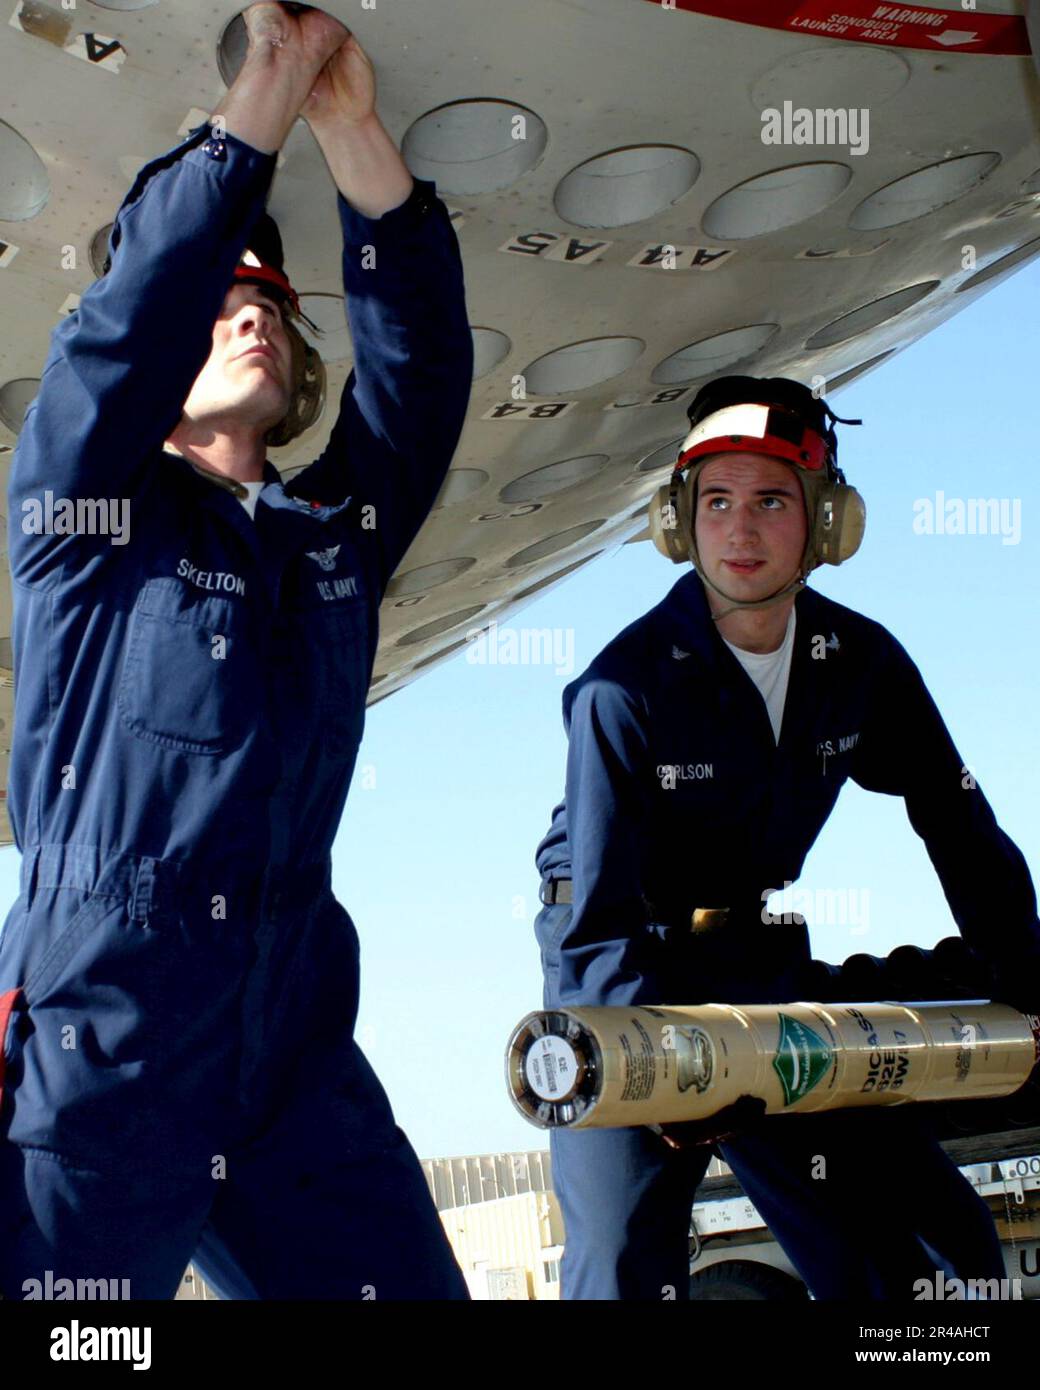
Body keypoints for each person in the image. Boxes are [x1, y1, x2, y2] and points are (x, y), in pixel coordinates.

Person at [0, 4, 472, 1300]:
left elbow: (420, 386)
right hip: (111, 1051)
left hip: (292, 1051)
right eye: (222, 297)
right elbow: (117, 334)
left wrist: (352, 130)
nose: (251, 309)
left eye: (268, 296)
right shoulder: (82, 517)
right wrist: (263, 96)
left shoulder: (331, 540)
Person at [533, 374, 1040, 1300]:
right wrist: (647, 1069)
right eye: (716, 502)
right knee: (619, 1266)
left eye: (772, 500)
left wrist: (1026, 971)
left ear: (828, 521)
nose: (741, 530)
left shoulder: (864, 663)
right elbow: (591, 913)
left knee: (943, 1256)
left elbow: (957, 821)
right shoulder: (622, 690)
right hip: (622, 972)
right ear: (680, 524)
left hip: (756, 967)